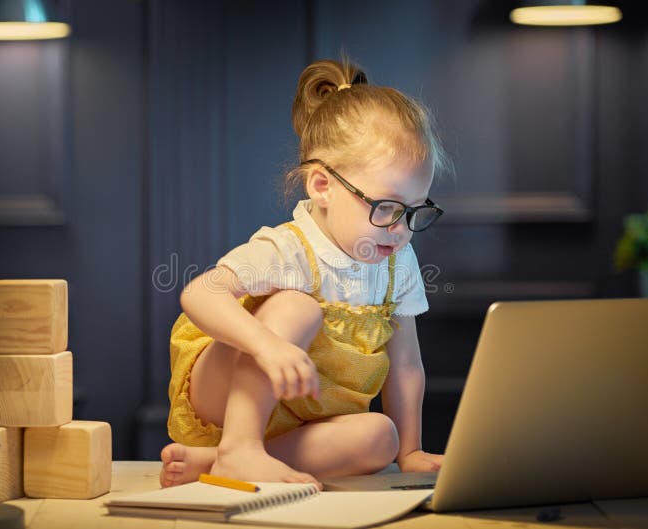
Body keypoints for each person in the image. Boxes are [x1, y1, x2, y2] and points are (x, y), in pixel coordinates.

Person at [160, 58, 450, 488]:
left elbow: (406, 363)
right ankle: (237, 446)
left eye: (414, 211)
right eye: (386, 207)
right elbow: (199, 294)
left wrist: (409, 450)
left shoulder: (396, 262)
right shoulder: (289, 248)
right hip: (223, 392)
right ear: (322, 186)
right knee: (297, 307)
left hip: (300, 421)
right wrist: (264, 346)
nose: (400, 229)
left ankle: (218, 463)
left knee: (379, 437)